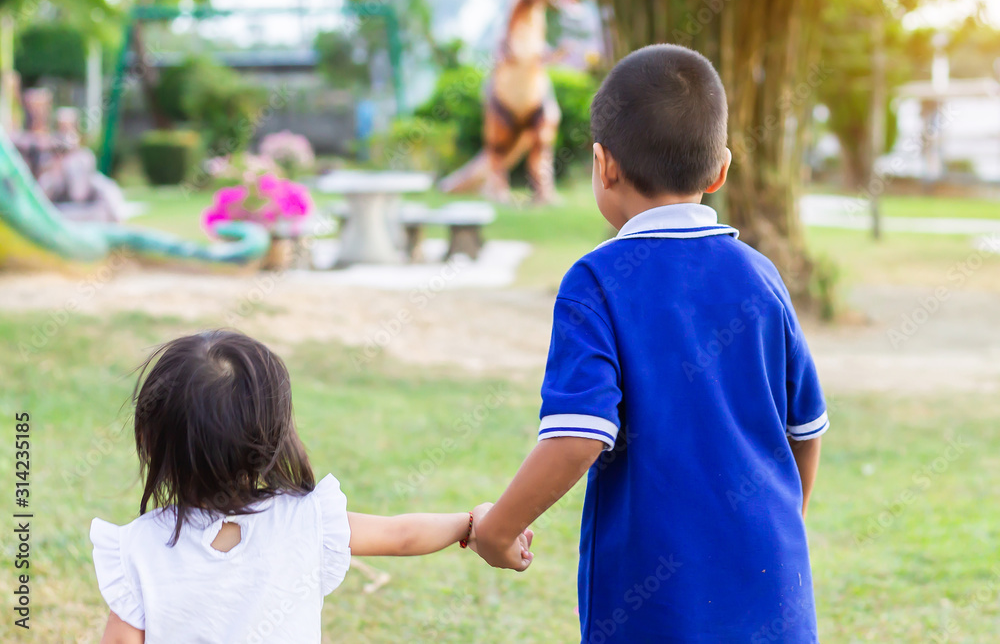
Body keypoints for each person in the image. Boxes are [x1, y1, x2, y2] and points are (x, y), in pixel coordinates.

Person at [471, 44, 828, 642]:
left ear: (603, 165)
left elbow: (578, 436)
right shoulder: (762, 276)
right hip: (774, 590)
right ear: (720, 171)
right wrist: (780, 528)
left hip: (652, 604)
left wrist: (498, 530)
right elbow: (806, 431)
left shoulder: (596, 282)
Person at [90, 330, 532, 643]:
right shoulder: (307, 521)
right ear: (273, 438)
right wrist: (470, 523)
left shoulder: (138, 549)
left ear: (150, 439)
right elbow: (401, 535)